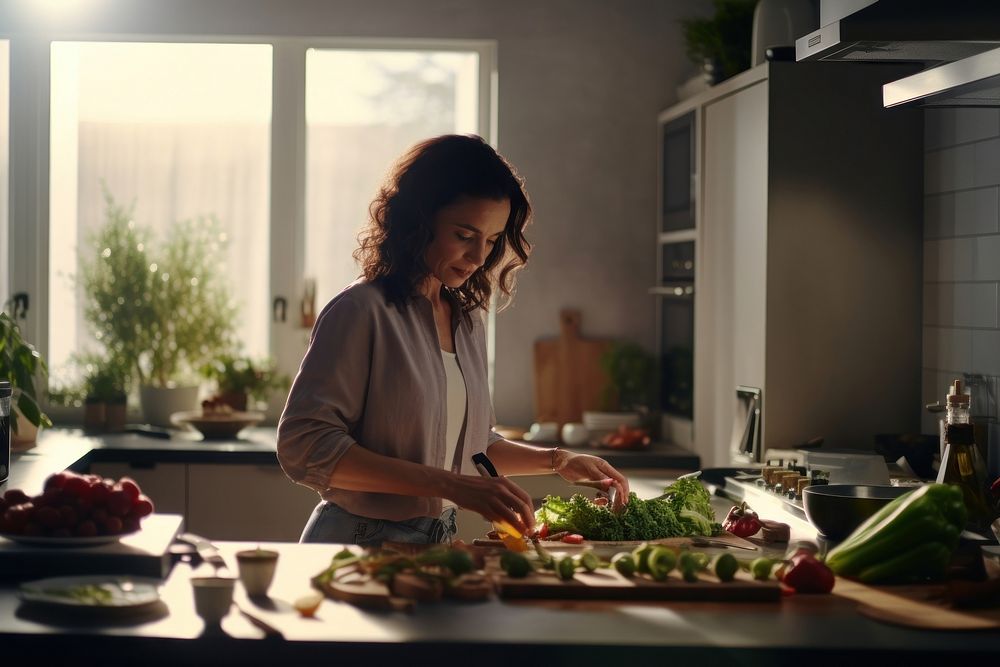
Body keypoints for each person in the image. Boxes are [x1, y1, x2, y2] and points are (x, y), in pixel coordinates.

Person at [277, 134, 630, 547]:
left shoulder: (466, 320)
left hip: (437, 543)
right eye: (464, 235)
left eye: (493, 240)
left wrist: (558, 460)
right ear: (418, 221)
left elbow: (473, 448)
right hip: (356, 540)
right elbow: (304, 446)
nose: (480, 256)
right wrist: (455, 486)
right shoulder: (360, 311)